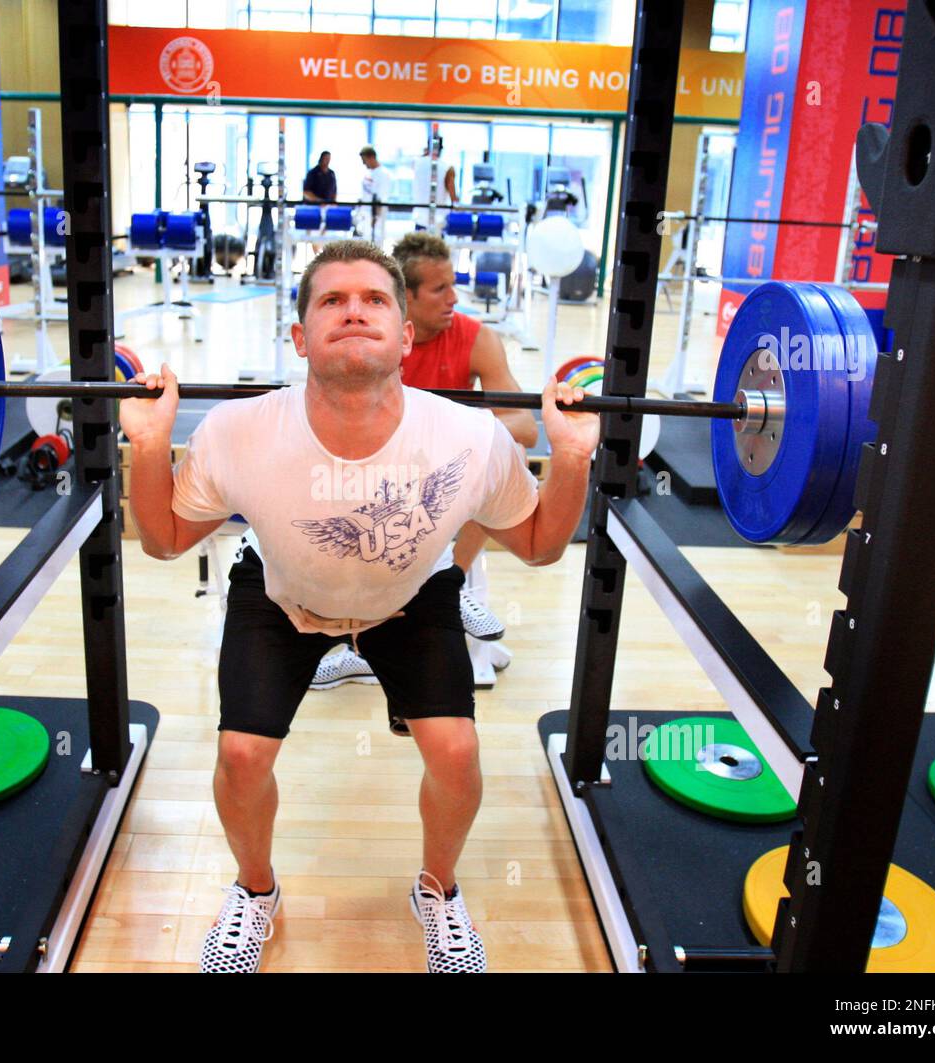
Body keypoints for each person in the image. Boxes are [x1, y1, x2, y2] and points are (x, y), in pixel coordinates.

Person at [122, 240, 598, 974]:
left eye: (374, 299)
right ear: (299, 336)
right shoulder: (239, 432)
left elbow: (538, 545)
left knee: (458, 753)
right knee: (241, 753)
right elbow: (161, 540)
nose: (353, 311)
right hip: (281, 590)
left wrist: (571, 457)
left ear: (405, 336)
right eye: (332, 300)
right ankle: (255, 892)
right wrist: (149, 444)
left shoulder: (468, 437)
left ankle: (437, 893)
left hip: (408, 596)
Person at [311, 231, 538, 692]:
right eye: (440, 289)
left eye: (453, 285)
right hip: (373, 474)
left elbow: (524, 425)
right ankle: (354, 642)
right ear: (406, 300)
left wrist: (449, 439)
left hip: (442, 476)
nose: (454, 298)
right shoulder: (370, 342)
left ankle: (449, 585)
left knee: (500, 458)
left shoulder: (477, 338)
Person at [411, 138, 457, 225]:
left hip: (419, 217)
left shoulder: (416, 163)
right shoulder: (448, 167)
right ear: (441, 149)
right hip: (439, 220)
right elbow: (454, 199)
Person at [357, 145, 392, 242]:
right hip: (365, 215)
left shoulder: (384, 174)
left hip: (376, 216)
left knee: (375, 244)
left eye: (364, 160)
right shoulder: (367, 173)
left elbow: (382, 198)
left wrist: (375, 217)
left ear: (371, 157)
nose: (363, 163)